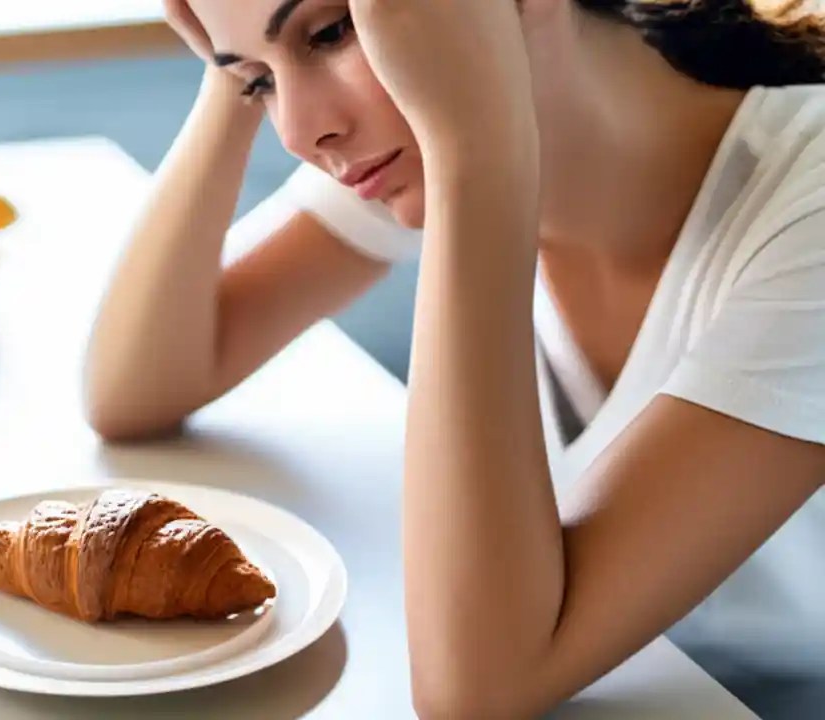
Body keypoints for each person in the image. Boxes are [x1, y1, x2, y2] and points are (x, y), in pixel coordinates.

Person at [83, 0, 825, 715]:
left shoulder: (805, 200)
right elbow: (134, 387)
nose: (300, 132)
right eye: (263, 84)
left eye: (332, 31)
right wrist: (230, 67)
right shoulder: (425, 143)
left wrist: (474, 152)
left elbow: (476, 689)